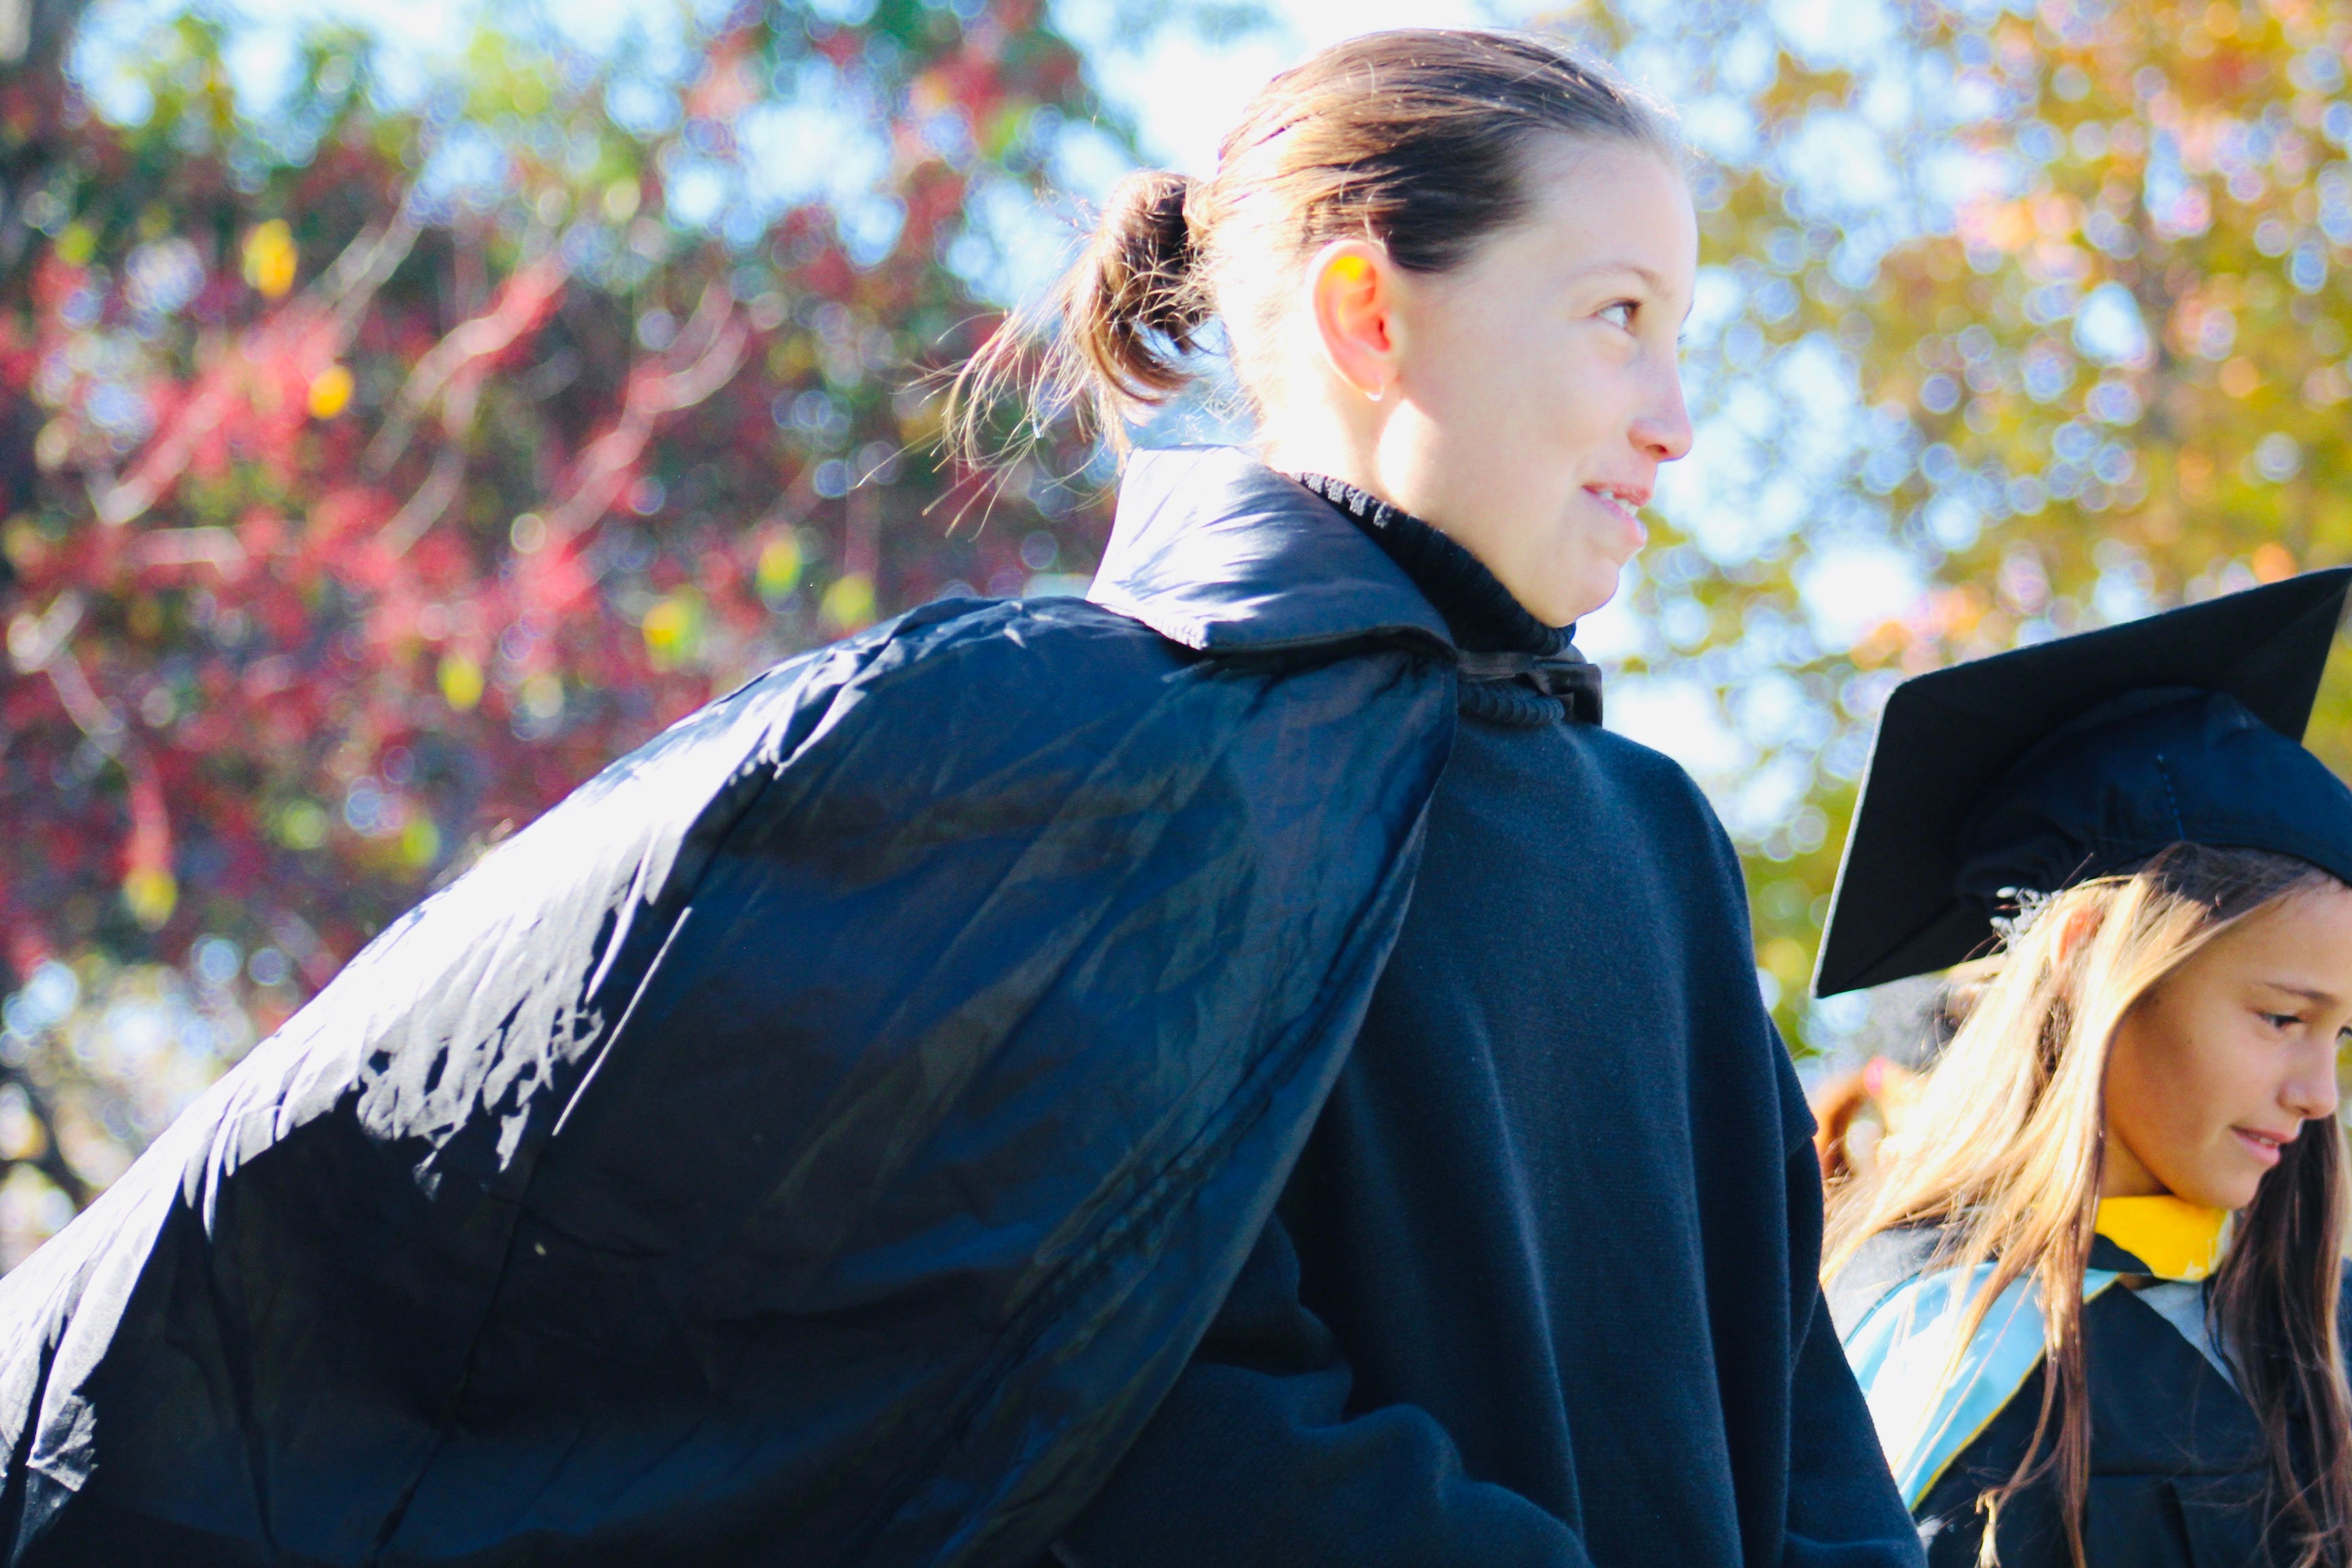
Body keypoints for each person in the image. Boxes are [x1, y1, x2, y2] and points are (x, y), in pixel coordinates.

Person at [0, 31, 1916, 1567]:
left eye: (1685, 326)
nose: (1678, 410)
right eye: (1615, 316)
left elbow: (1797, 1404)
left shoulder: (1649, 831)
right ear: (1367, 315)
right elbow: (1116, 1363)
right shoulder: (1088, 760)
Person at [1814, 568, 2352, 1567]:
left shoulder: (2315, 1320)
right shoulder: (1924, 1343)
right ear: (2085, 955)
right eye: (2282, 1017)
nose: (2319, 1096)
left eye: (2343, 1038)